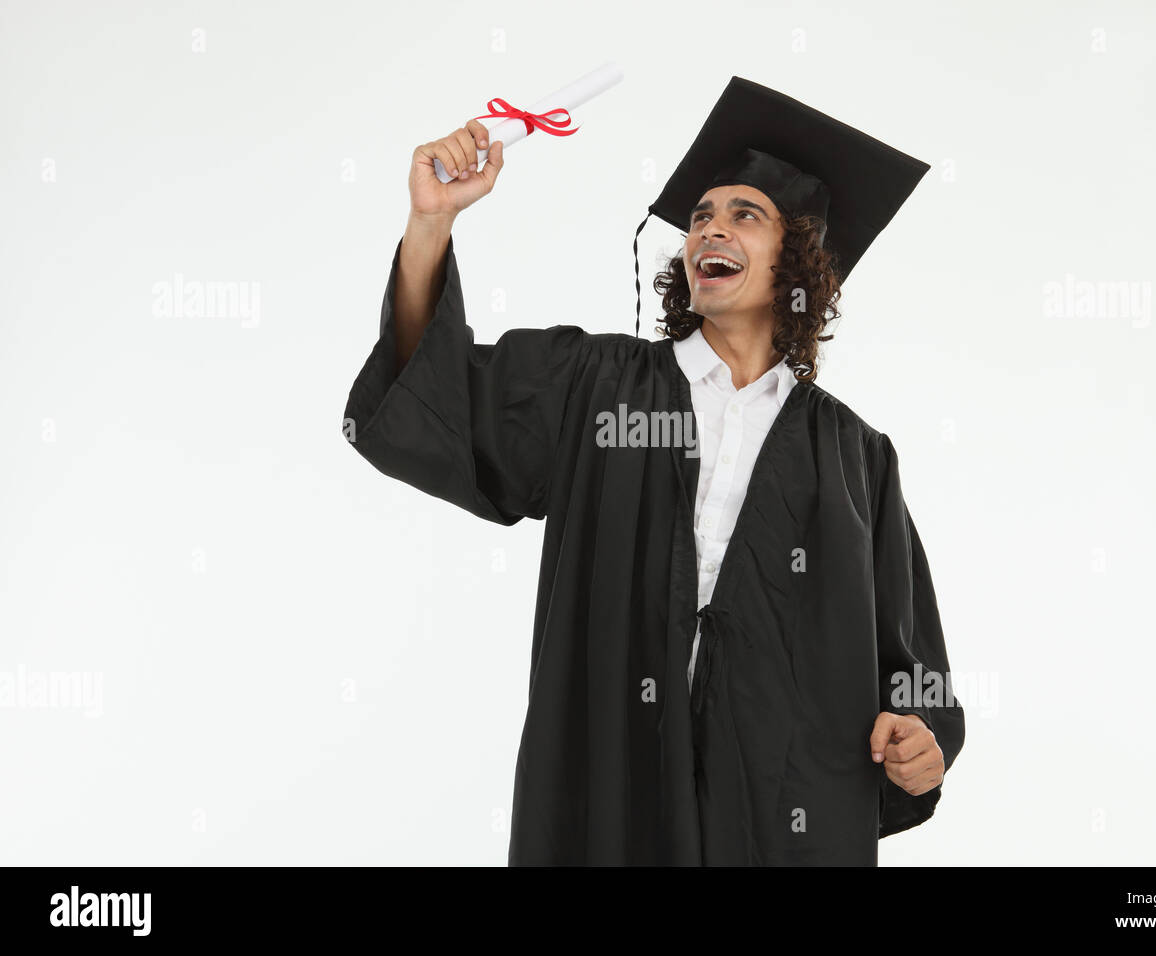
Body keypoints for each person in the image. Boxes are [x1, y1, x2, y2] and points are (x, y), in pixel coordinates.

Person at [342, 77, 964, 865]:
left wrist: (924, 736)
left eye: (746, 215)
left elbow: (914, 664)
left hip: (778, 813)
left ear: (800, 258)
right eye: (702, 215)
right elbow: (431, 402)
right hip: (613, 786)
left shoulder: (855, 456)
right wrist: (430, 224)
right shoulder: (593, 383)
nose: (711, 229)